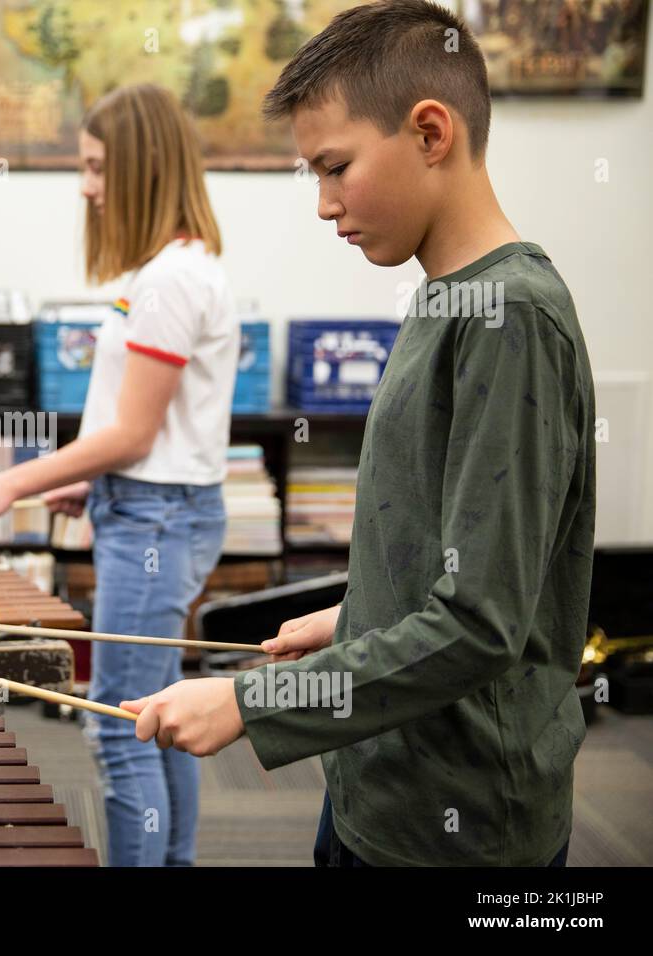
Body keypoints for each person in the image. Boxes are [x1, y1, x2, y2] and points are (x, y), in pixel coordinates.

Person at [124, 0, 595, 867]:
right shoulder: (446, 295)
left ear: (430, 132)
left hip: (455, 826)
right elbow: (460, 554)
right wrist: (358, 612)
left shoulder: (511, 318)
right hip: (377, 783)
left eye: (334, 167)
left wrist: (250, 705)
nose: (323, 203)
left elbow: (484, 625)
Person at [0, 84, 238, 866]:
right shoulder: (171, 268)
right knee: (162, 715)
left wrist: (17, 482)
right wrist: (94, 483)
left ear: (144, 165)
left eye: (97, 167)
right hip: (154, 505)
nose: (86, 185)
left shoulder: (172, 279)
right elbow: (148, 429)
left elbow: (134, 431)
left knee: (119, 724)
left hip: (156, 519)